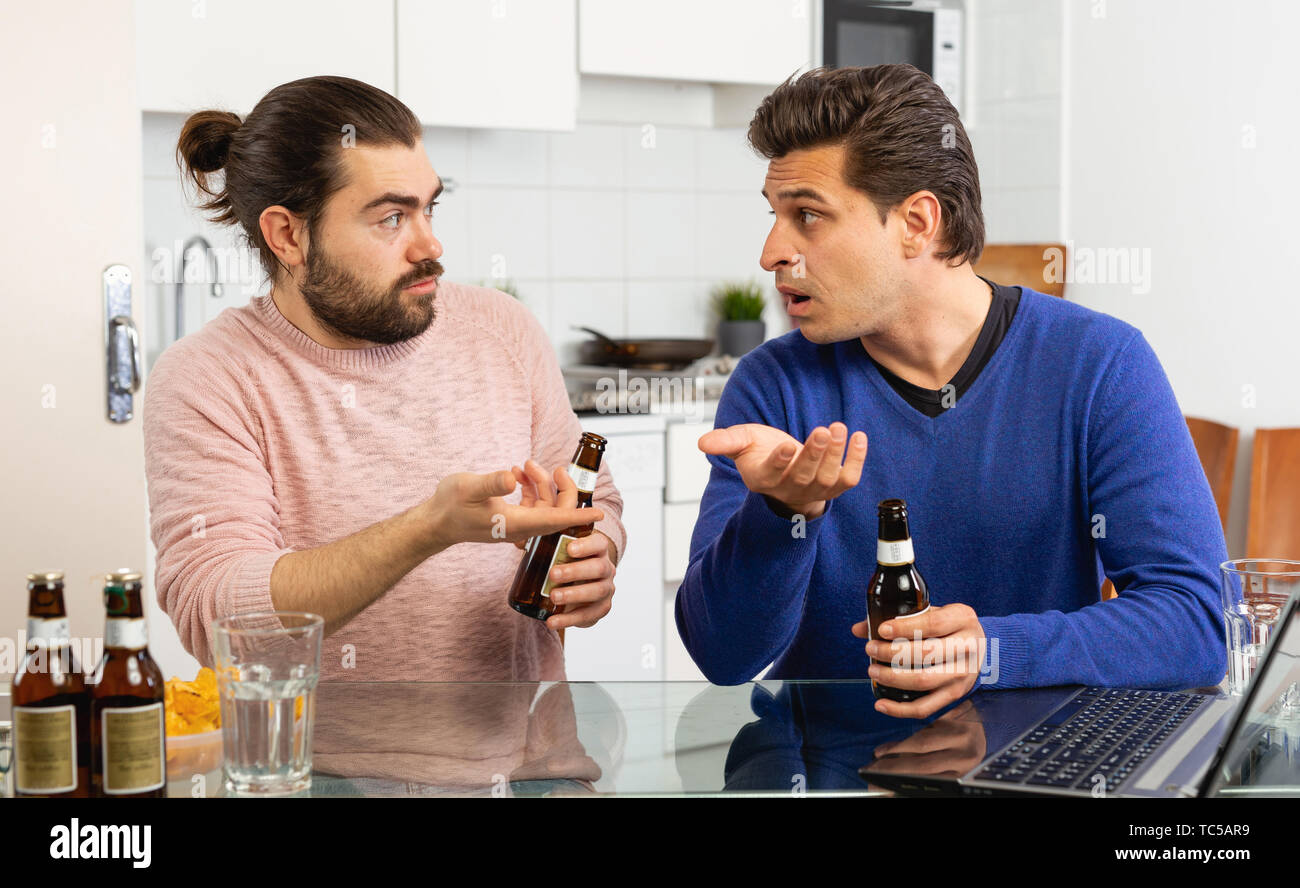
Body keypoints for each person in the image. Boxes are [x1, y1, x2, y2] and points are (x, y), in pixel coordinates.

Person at [675, 64, 1227, 718]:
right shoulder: (772, 387)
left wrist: (995, 649)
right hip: (824, 778)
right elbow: (723, 656)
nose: (772, 252)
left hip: (1033, 775)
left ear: (917, 222)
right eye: (774, 216)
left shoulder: (1100, 364)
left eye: (808, 216)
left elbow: (1195, 622)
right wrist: (779, 516)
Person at [145, 76, 625, 681]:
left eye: (429, 207)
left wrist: (595, 555)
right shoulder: (209, 377)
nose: (431, 245)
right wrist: (428, 528)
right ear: (288, 236)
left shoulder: (504, 329)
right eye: (391, 217)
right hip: (314, 772)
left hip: (526, 765)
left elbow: (594, 500)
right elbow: (216, 616)